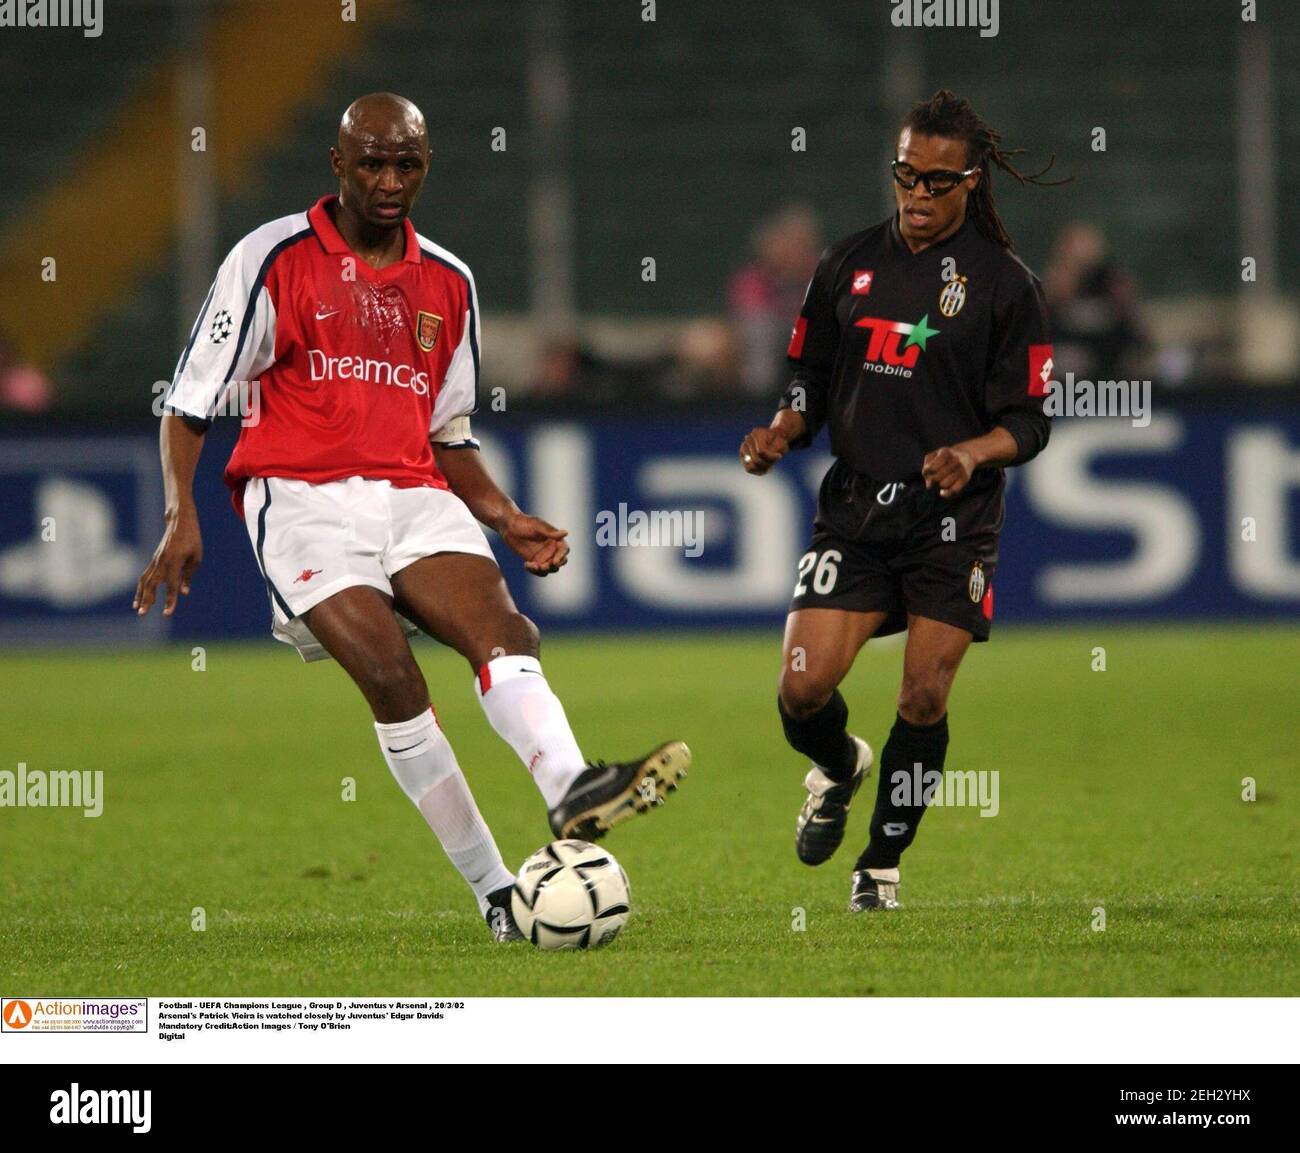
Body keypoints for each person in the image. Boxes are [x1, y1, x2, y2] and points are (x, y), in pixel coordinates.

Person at [134, 93, 689, 942]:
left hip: (414, 491)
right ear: (338, 163)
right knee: (393, 676)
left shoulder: (450, 281)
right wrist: (182, 513)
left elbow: (448, 433)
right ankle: (497, 892)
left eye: (408, 164)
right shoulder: (271, 256)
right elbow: (190, 402)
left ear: (427, 163)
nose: (390, 181)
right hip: (302, 499)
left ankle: (574, 786)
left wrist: (505, 516)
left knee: (508, 636)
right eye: (372, 163)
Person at [738, 90, 1061, 912]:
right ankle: (842, 764)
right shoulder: (845, 263)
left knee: (923, 694)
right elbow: (808, 377)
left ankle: (879, 866)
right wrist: (782, 428)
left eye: (936, 181)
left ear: (972, 182)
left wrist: (970, 451)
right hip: (855, 510)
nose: (916, 194)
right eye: (905, 175)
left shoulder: (1006, 287)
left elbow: (1028, 421)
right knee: (801, 690)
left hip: (953, 520)